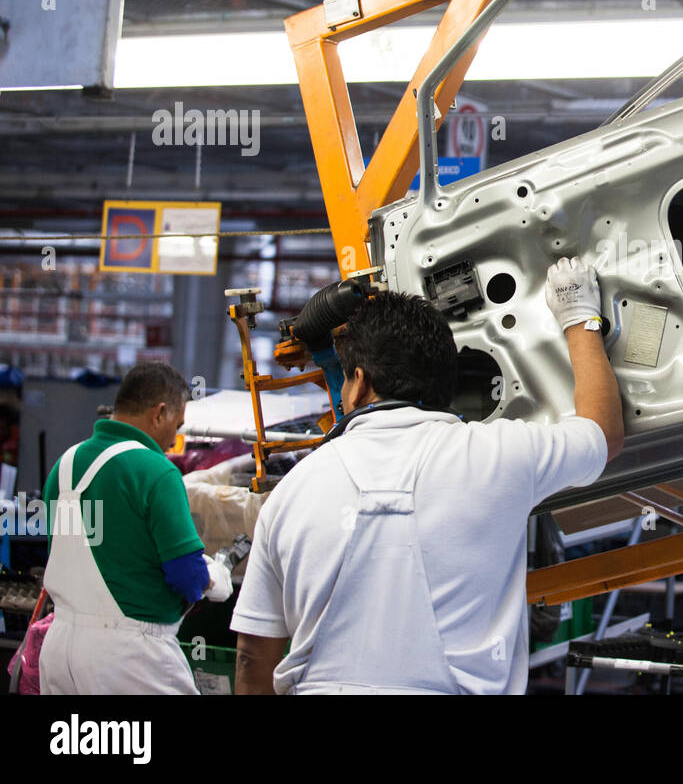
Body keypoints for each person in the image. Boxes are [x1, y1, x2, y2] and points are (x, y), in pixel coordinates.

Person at [232, 257, 623, 694]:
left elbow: (253, 653)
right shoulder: (498, 455)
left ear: (358, 383)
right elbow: (602, 435)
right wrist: (578, 316)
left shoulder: (293, 492)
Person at [40, 362, 232, 694]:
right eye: (178, 425)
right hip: (129, 657)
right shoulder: (154, 470)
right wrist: (213, 578)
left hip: (59, 650)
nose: (175, 441)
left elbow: (76, 551)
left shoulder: (65, 464)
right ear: (160, 413)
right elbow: (186, 575)